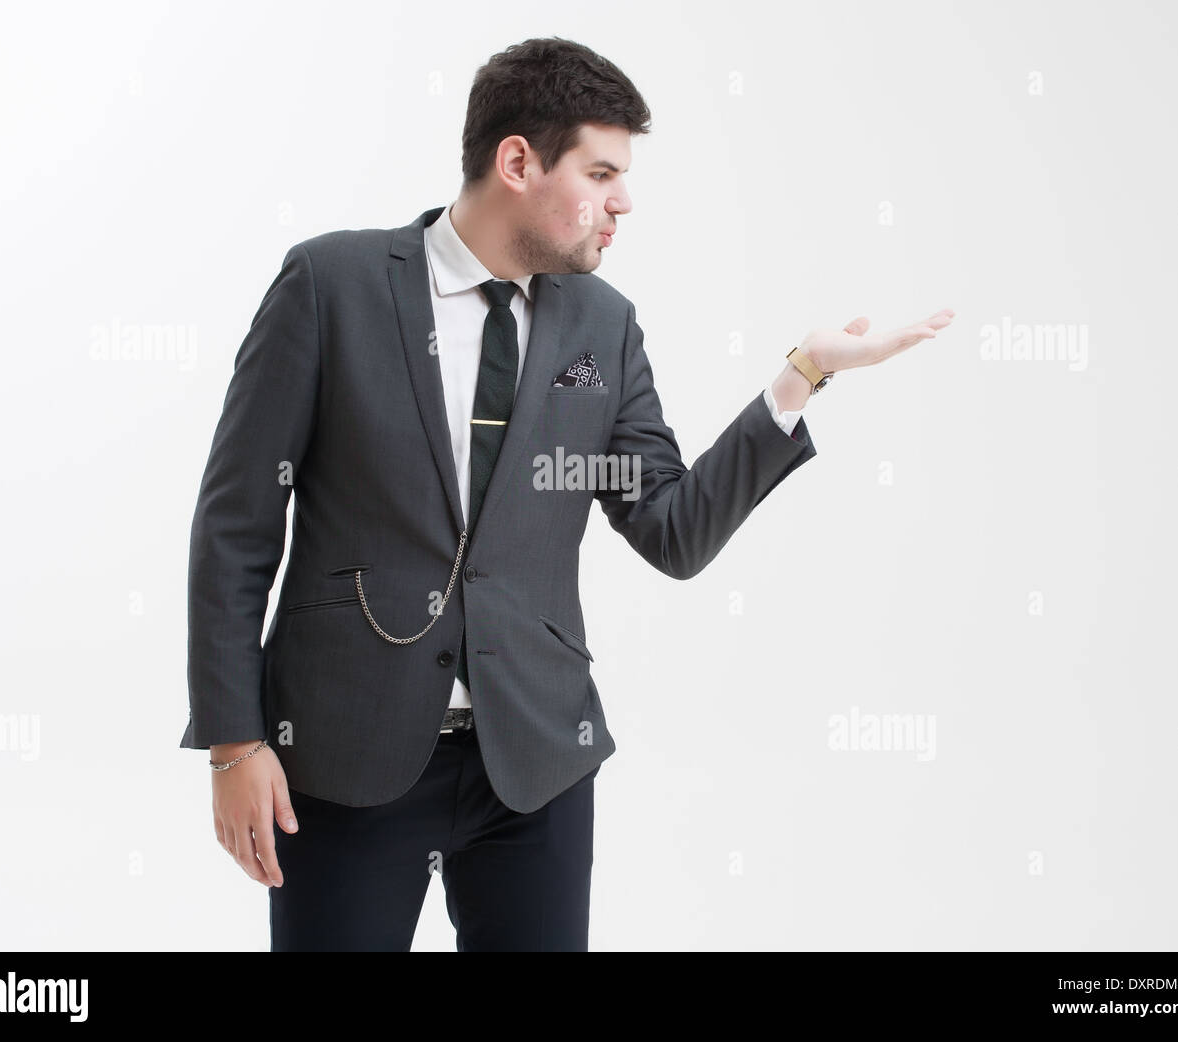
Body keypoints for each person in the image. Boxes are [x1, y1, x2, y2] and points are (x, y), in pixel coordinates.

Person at [179, 36, 954, 951]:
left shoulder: (603, 325)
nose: (623, 200)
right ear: (517, 161)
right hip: (345, 755)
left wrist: (800, 377)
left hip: (535, 767)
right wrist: (235, 742)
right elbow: (236, 527)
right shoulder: (330, 286)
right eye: (601, 171)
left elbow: (672, 528)